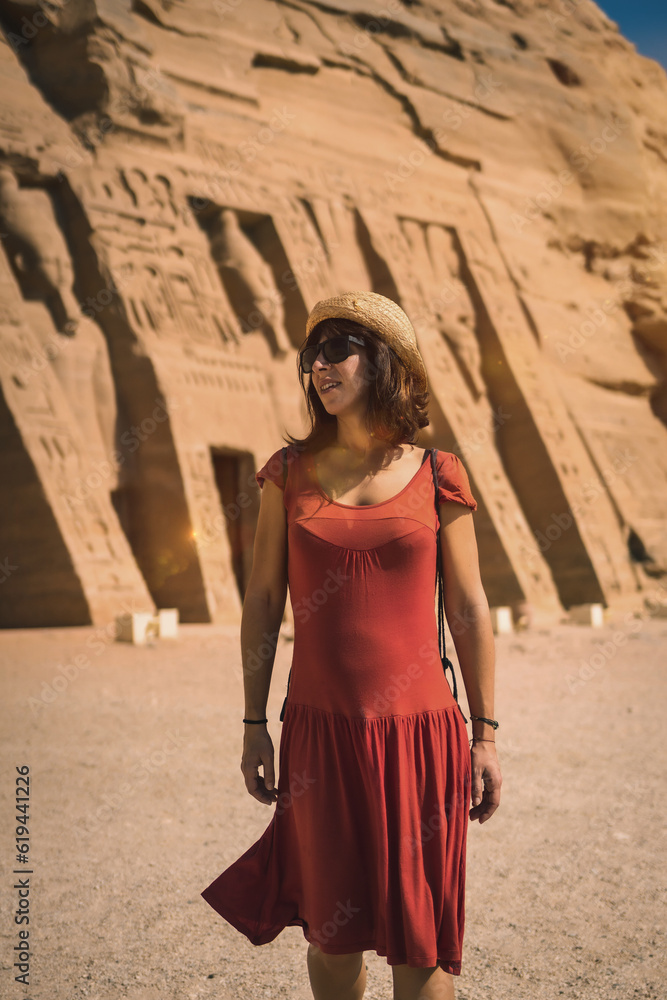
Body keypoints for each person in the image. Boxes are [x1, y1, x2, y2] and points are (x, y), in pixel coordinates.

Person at [201, 291, 502, 1000]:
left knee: (419, 945)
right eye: (311, 354)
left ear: (382, 361)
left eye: (338, 348)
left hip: (420, 736)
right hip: (318, 736)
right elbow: (262, 603)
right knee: (331, 939)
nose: (319, 364)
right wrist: (252, 725)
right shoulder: (287, 472)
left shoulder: (439, 473)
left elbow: (466, 606)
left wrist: (484, 735)